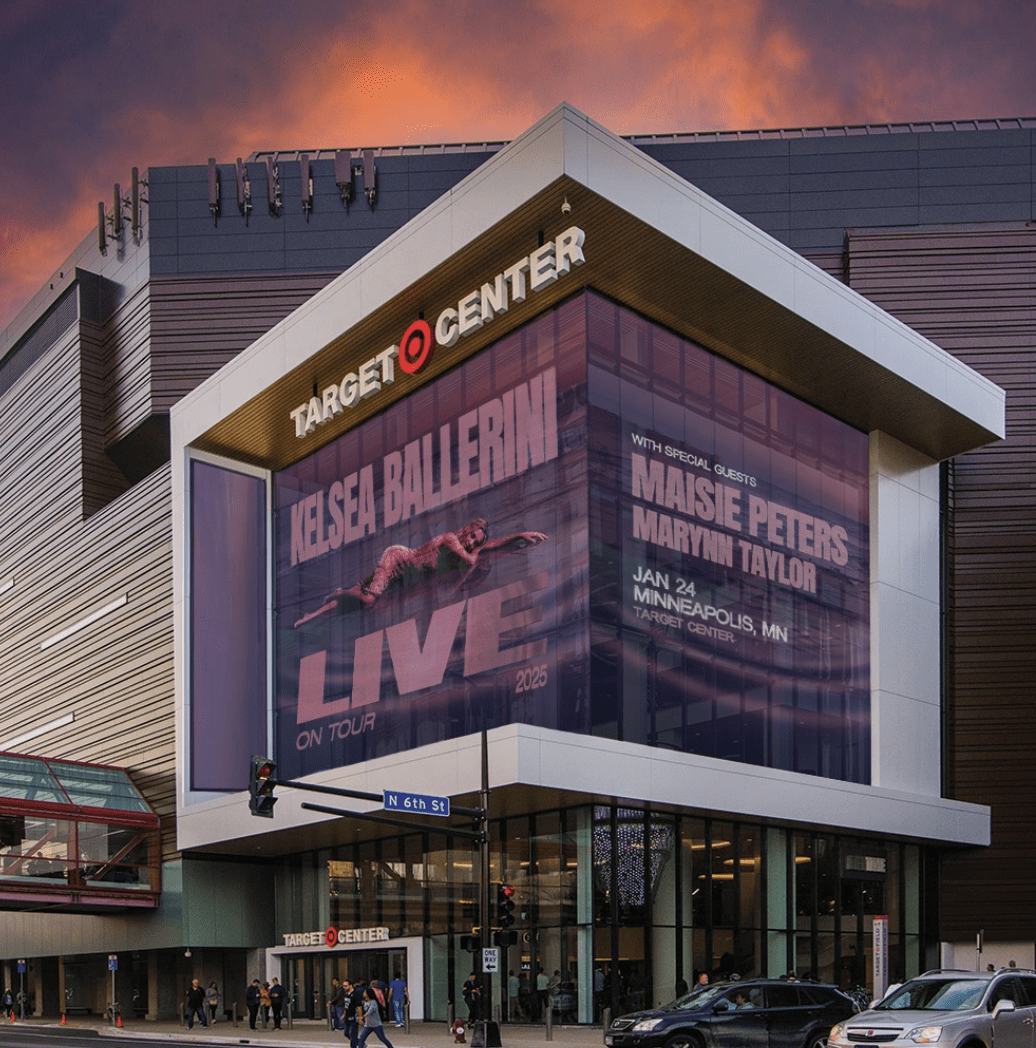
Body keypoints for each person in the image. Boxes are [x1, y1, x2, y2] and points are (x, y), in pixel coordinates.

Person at [296, 518, 547, 625]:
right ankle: (338, 593)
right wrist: (478, 552)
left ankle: (312, 615)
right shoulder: (451, 539)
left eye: (476, 541)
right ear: (466, 530)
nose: (472, 542)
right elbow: (471, 560)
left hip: (400, 574)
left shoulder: (463, 545)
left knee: (360, 598)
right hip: (396, 559)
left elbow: (488, 545)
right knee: (369, 600)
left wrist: (518, 536)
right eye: (471, 536)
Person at [346, 977, 368, 1048]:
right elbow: (346, 1006)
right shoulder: (346, 994)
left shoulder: (356, 994)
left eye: (346, 986)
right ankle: (359, 1042)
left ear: (350, 985)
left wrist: (360, 1017)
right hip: (347, 1015)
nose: (344, 987)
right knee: (346, 1032)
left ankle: (355, 1045)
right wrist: (344, 1015)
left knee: (353, 1033)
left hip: (353, 1016)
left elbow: (359, 1007)